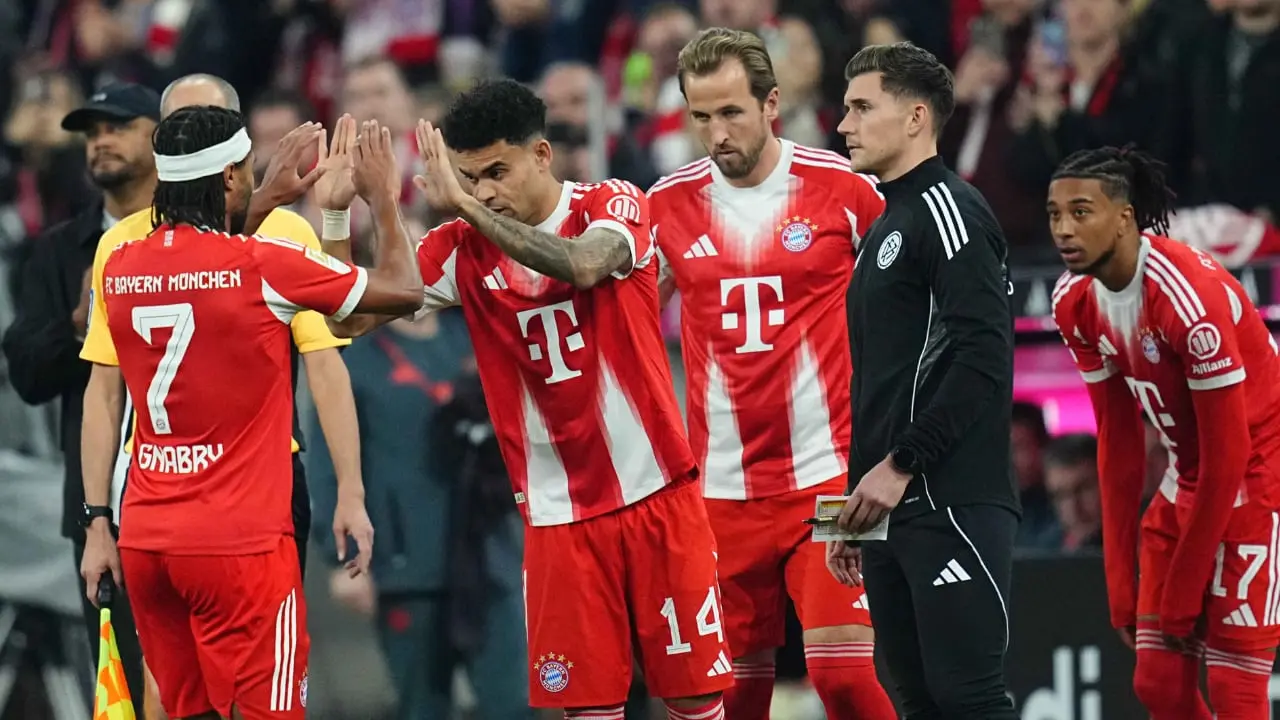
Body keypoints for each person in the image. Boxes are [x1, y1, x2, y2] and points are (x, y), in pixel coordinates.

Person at [324, 79, 732, 720]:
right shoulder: (459, 250)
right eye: (469, 177)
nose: (485, 192)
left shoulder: (610, 203)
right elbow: (346, 318)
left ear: (541, 155)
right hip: (556, 517)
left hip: (655, 495)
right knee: (588, 709)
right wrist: (346, 214)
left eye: (497, 172)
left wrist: (464, 205)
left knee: (694, 699)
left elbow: (583, 265)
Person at [78, 106, 422, 720]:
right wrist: (381, 200)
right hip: (240, 545)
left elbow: (201, 265)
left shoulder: (121, 265)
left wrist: (264, 199)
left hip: (149, 541)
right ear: (231, 177)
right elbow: (404, 290)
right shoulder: (266, 265)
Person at [646, 27, 896, 720]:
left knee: (845, 680)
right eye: (701, 116)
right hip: (719, 494)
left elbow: (915, 300)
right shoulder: (664, 207)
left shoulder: (844, 190)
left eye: (731, 112)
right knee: (730, 698)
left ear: (772, 104)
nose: (717, 133)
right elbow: (628, 323)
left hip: (830, 477)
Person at [81, 74, 370, 591]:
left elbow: (326, 365)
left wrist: (350, 490)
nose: (194, 135)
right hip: (162, 493)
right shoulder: (119, 244)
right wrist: (96, 517)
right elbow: (104, 389)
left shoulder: (284, 231)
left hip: (255, 487)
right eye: (180, 124)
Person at [1049, 145, 1280, 719]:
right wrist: (1119, 579)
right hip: (1191, 472)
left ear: (1125, 218)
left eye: (1081, 212)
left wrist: (1182, 591)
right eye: (1054, 214)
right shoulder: (1073, 301)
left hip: (1260, 473)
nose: (1063, 229)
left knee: (1234, 690)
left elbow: (1231, 454)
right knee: (1157, 683)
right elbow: (1118, 442)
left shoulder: (1186, 297)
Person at [832, 42, 1019, 718]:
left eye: (861, 107)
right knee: (916, 702)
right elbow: (878, 383)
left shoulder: (950, 209)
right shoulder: (886, 225)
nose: (844, 125)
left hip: (948, 499)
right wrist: (850, 509)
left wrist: (903, 463)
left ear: (915, 117)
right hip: (888, 509)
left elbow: (983, 356)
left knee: (968, 698)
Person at [1, 81, 158, 714]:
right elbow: (27, 374)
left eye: (118, 126)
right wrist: (77, 327)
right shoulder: (59, 251)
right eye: (92, 132)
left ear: (161, 136)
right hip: (101, 513)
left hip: (198, 494)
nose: (101, 141)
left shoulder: (200, 239)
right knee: (121, 686)